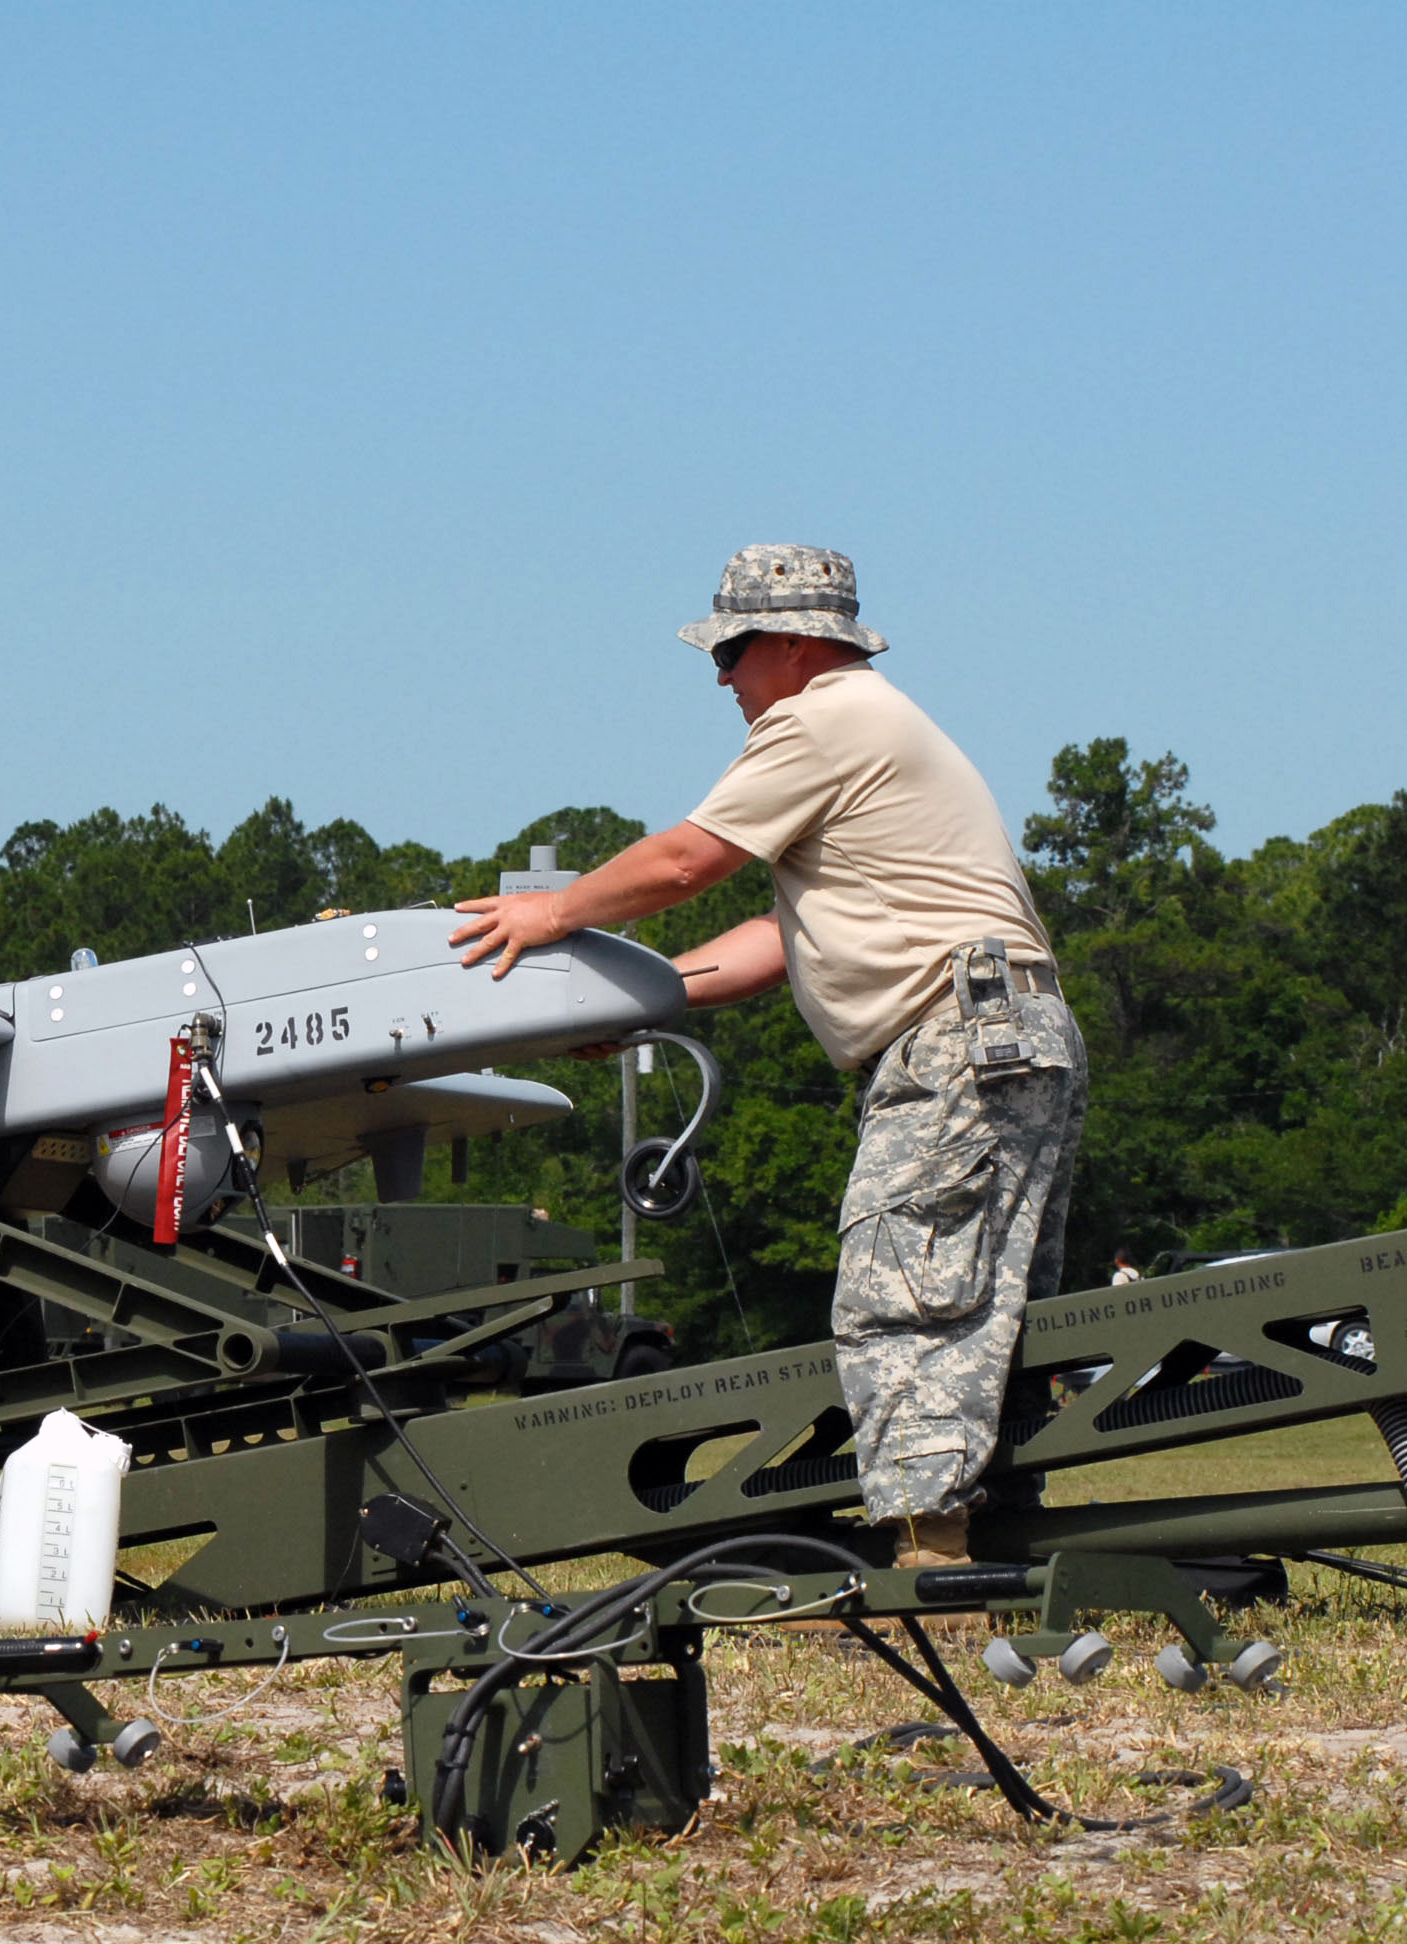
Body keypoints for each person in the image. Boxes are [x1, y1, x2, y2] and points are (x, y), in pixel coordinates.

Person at [449, 544, 1084, 1571]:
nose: (721, 679)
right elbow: (776, 940)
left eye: (730, 652)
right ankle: (992, 1532)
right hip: (1003, 1034)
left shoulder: (823, 718)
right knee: (987, 1307)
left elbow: (685, 860)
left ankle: (929, 1554)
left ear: (793, 644)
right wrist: (648, 999)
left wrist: (551, 914)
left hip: (955, 1040)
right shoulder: (873, 728)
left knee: (906, 1298)